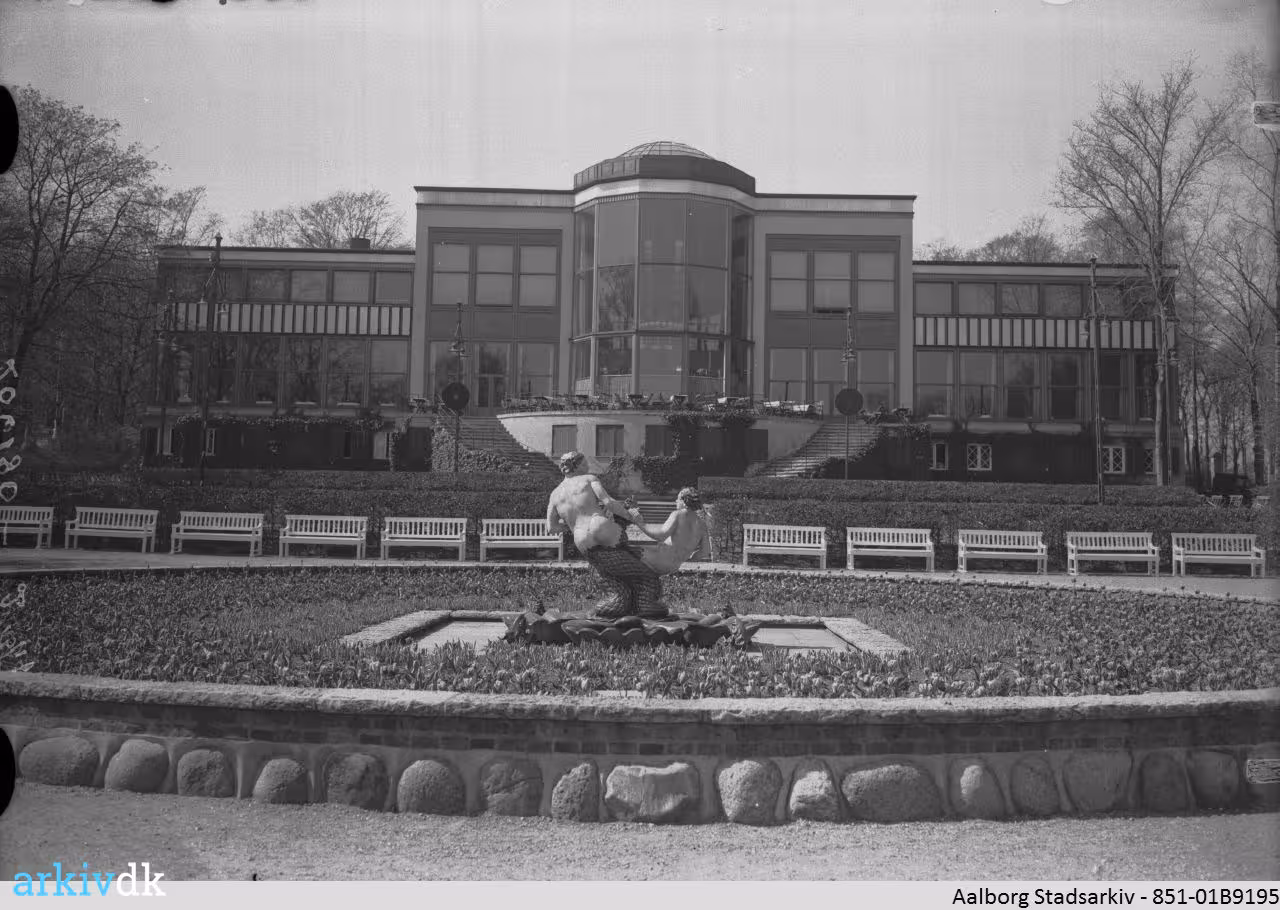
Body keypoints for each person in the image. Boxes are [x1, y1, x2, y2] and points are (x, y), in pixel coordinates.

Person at [545, 451, 666, 619]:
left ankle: (627, 602)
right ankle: (645, 605)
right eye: (584, 463)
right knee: (647, 575)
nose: (587, 466)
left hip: (582, 539)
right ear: (577, 465)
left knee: (614, 568)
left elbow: (551, 527)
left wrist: (572, 525)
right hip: (600, 526)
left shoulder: (555, 494)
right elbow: (608, 502)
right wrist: (631, 516)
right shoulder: (588, 479)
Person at [624, 487, 713, 576]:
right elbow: (705, 551)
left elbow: (661, 536)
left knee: (625, 549)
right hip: (674, 566)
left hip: (659, 560)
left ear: (684, 501)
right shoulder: (702, 524)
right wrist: (687, 559)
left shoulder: (678, 514)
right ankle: (633, 509)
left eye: (678, 498)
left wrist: (641, 523)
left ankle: (631, 510)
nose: (676, 501)